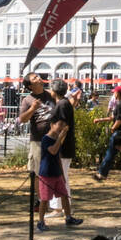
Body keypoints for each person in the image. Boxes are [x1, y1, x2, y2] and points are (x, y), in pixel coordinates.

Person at [35, 110, 79, 231]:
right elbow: (53, 150)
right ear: (52, 125)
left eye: (63, 126)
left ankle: (69, 217)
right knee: (45, 199)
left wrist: (62, 174)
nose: (61, 128)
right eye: (59, 125)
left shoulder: (56, 139)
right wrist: (61, 136)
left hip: (57, 173)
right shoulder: (46, 139)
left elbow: (58, 156)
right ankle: (41, 221)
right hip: (46, 174)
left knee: (64, 195)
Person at [47, 79, 83, 225]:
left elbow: (62, 127)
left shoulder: (62, 104)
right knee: (61, 177)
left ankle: (60, 207)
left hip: (62, 147)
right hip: (62, 146)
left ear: (54, 91)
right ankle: (61, 207)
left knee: (61, 177)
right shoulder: (64, 103)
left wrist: (56, 146)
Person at [96, 81, 121, 180]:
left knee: (112, 153)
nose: (113, 94)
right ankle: (103, 173)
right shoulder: (120, 104)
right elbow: (114, 118)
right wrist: (100, 120)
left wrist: (113, 128)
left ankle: (102, 174)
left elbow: (119, 120)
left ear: (118, 93)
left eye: (114, 92)